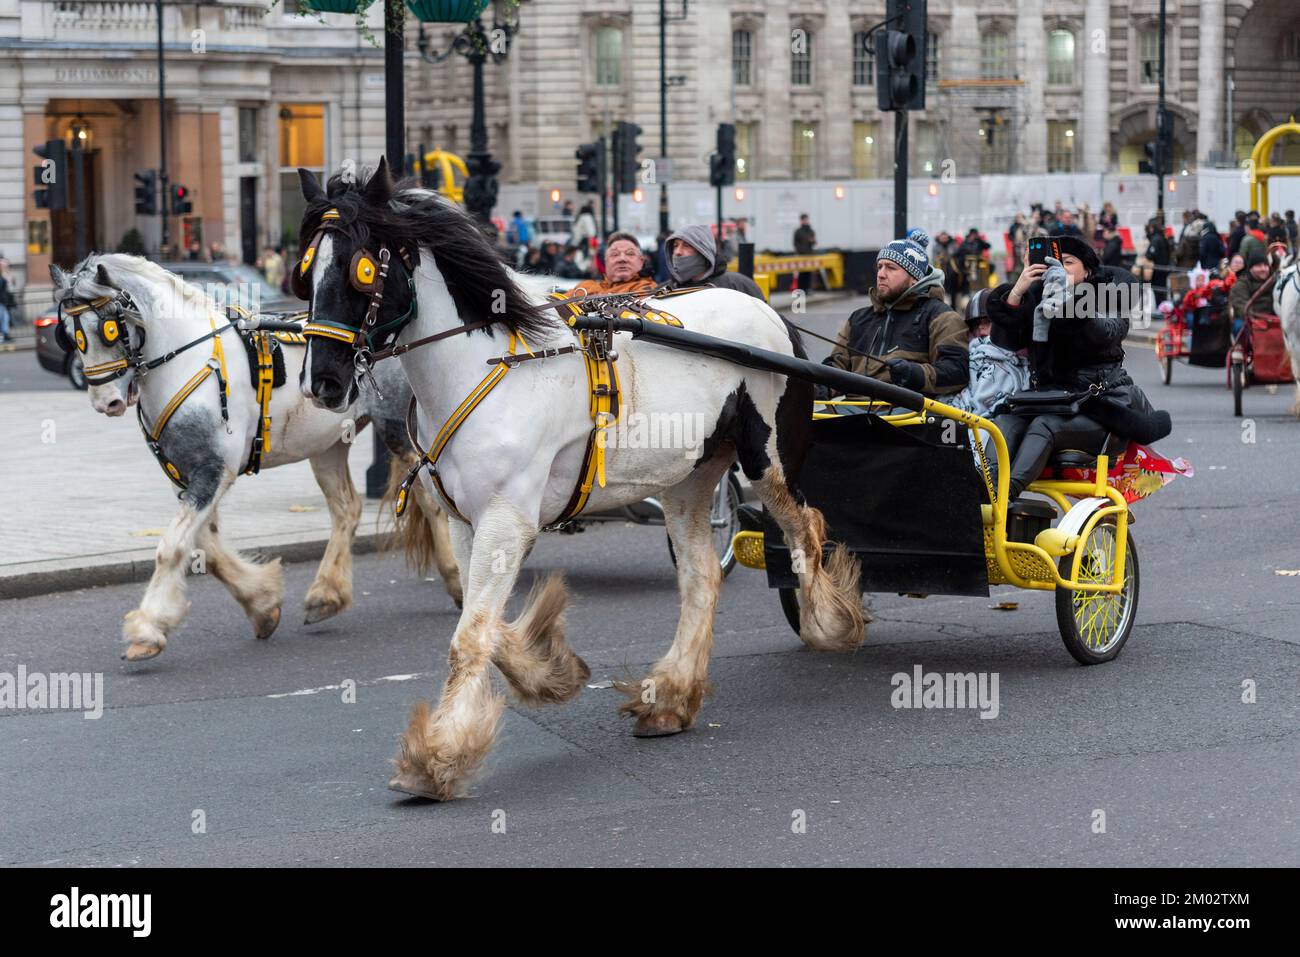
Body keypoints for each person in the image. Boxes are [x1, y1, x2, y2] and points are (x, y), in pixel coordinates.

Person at [985, 235, 1171, 502]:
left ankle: (1003, 497)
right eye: (1054, 263)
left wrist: (1068, 301)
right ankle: (984, 496)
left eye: (1068, 263)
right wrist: (1017, 292)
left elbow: (1105, 332)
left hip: (1099, 405)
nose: (1058, 268)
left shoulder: (1108, 296)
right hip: (1049, 401)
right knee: (1003, 424)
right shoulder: (1037, 299)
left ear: (1087, 270)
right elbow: (1004, 342)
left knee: (1044, 426)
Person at [820, 234, 969, 399]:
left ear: (914, 278)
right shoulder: (858, 319)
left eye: (891, 268)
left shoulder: (941, 317)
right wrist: (821, 386)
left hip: (907, 414)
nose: (881, 274)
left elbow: (958, 372)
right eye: (880, 266)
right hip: (852, 412)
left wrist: (915, 374)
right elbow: (836, 365)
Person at [948, 288, 1031, 418]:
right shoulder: (964, 356)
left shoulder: (1019, 356)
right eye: (976, 324)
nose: (981, 327)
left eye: (987, 322)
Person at [662, 224, 765, 300]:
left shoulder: (738, 285)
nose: (677, 252)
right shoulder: (665, 292)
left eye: (686, 245)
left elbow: (771, 321)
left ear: (704, 251)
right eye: (675, 246)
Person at [568, 232, 658, 298]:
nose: (622, 259)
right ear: (606, 262)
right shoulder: (586, 286)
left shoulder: (647, 290)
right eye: (615, 254)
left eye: (630, 254)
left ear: (641, 261)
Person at [1230, 248, 1274, 328]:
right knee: (1239, 326)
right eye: (1258, 266)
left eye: (1265, 265)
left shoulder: (1274, 281)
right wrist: (1255, 320)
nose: (1263, 269)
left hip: (1273, 320)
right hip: (1250, 320)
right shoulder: (1242, 284)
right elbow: (1241, 306)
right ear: (1250, 268)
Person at [0, 253, 16, 343]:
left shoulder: (5, 275)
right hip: (1, 301)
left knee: (5, 317)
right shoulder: (2, 277)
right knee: (4, 318)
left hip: (3, 301)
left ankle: (5, 335)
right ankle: (5, 335)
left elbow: (11, 284)